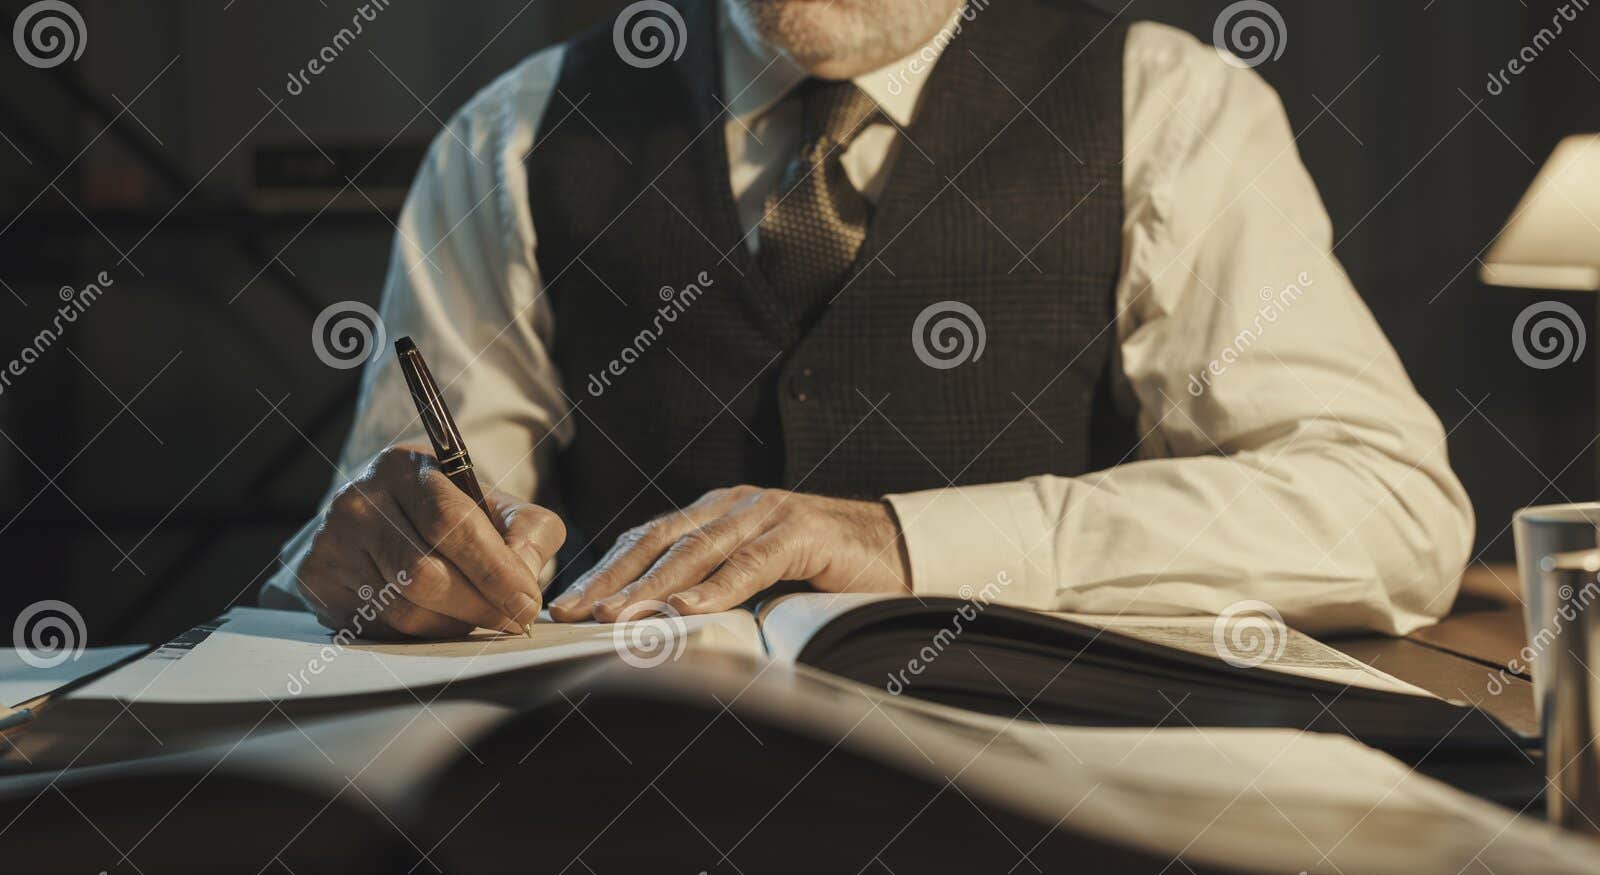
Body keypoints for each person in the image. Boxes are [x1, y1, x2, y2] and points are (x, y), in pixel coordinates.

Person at [264, 0, 1472, 640]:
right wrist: (377, 560)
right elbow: (404, 517)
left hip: (1060, 842)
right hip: (614, 838)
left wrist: (904, 543)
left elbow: (1389, 510)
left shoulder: (1173, 104)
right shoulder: (512, 133)